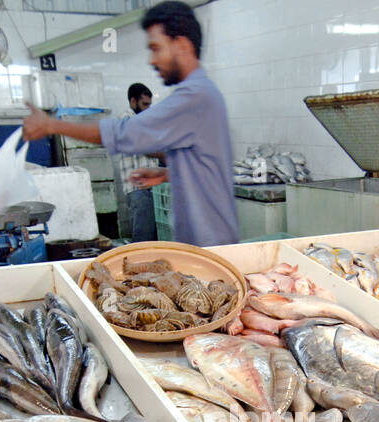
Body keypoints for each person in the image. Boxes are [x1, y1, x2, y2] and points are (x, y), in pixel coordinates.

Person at [22, 1, 238, 247]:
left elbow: (125, 132)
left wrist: (53, 125)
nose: (152, 60)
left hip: (209, 244)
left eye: (156, 49)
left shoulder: (195, 97)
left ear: (181, 45)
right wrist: (166, 174)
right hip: (206, 241)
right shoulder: (204, 94)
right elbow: (206, 170)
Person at [113, 82, 160, 242]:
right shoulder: (126, 120)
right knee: (143, 240)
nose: (148, 108)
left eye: (150, 104)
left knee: (152, 238)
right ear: (133, 101)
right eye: (144, 104)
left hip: (148, 188)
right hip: (138, 189)